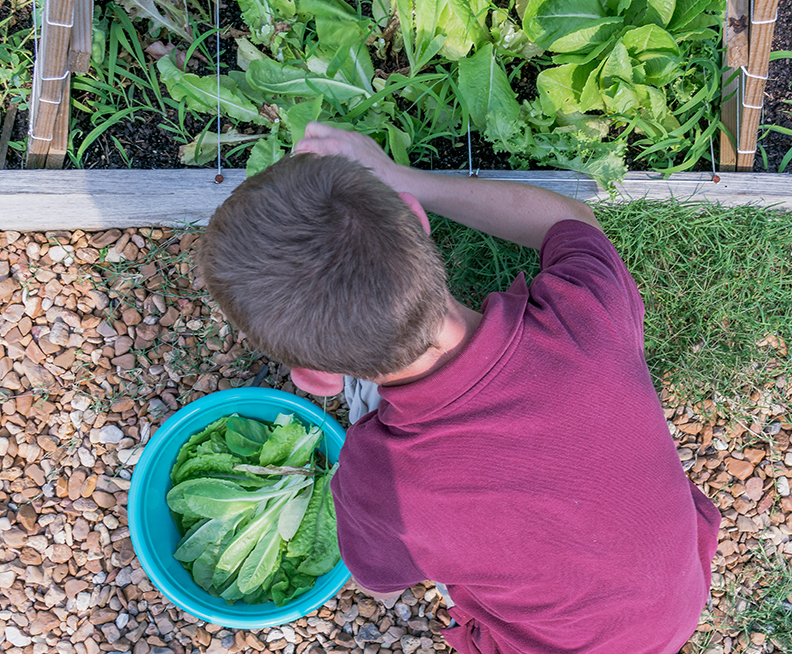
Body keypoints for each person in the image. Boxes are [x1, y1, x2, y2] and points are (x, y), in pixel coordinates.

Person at [197, 122, 721, 654]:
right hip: (679, 595)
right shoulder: (586, 313)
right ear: (417, 220)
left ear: (318, 378)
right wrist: (405, 177)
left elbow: (381, 583)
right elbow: (570, 220)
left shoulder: (380, 483)